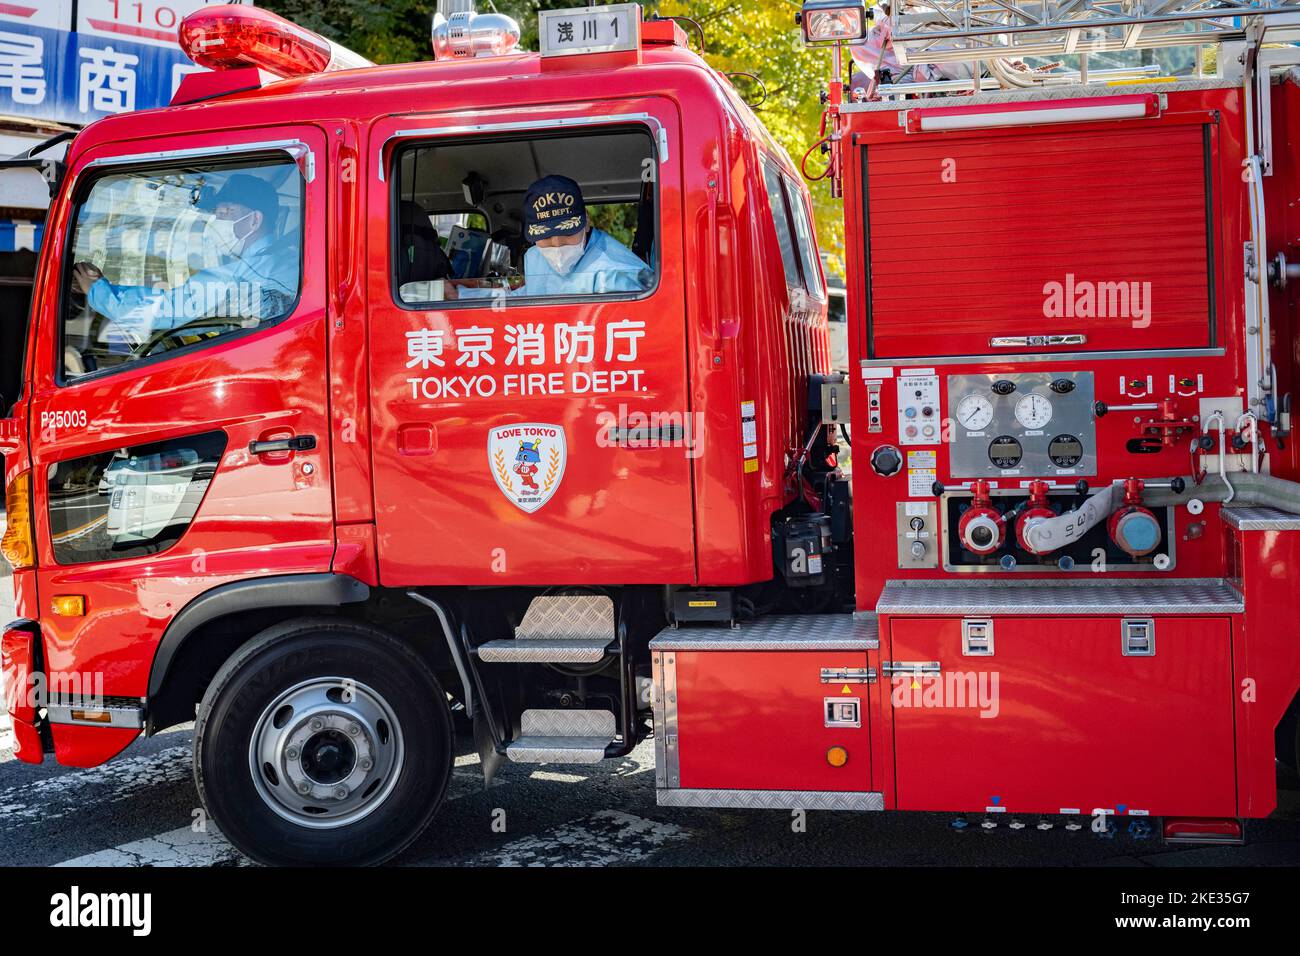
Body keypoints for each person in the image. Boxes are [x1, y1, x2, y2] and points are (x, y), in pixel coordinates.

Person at [70, 173, 298, 341]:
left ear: (254, 220)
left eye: (228, 211)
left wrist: (99, 291)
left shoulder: (246, 274)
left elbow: (169, 309)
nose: (217, 219)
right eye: (217, 212)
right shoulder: (285, 262)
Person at [451, 174, 649, 299]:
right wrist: (460, 295)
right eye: (545, 237)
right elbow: (529, 296)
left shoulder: (618, 275)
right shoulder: (535, 257)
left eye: (566, 232)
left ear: (586, 221)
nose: (557, 245)